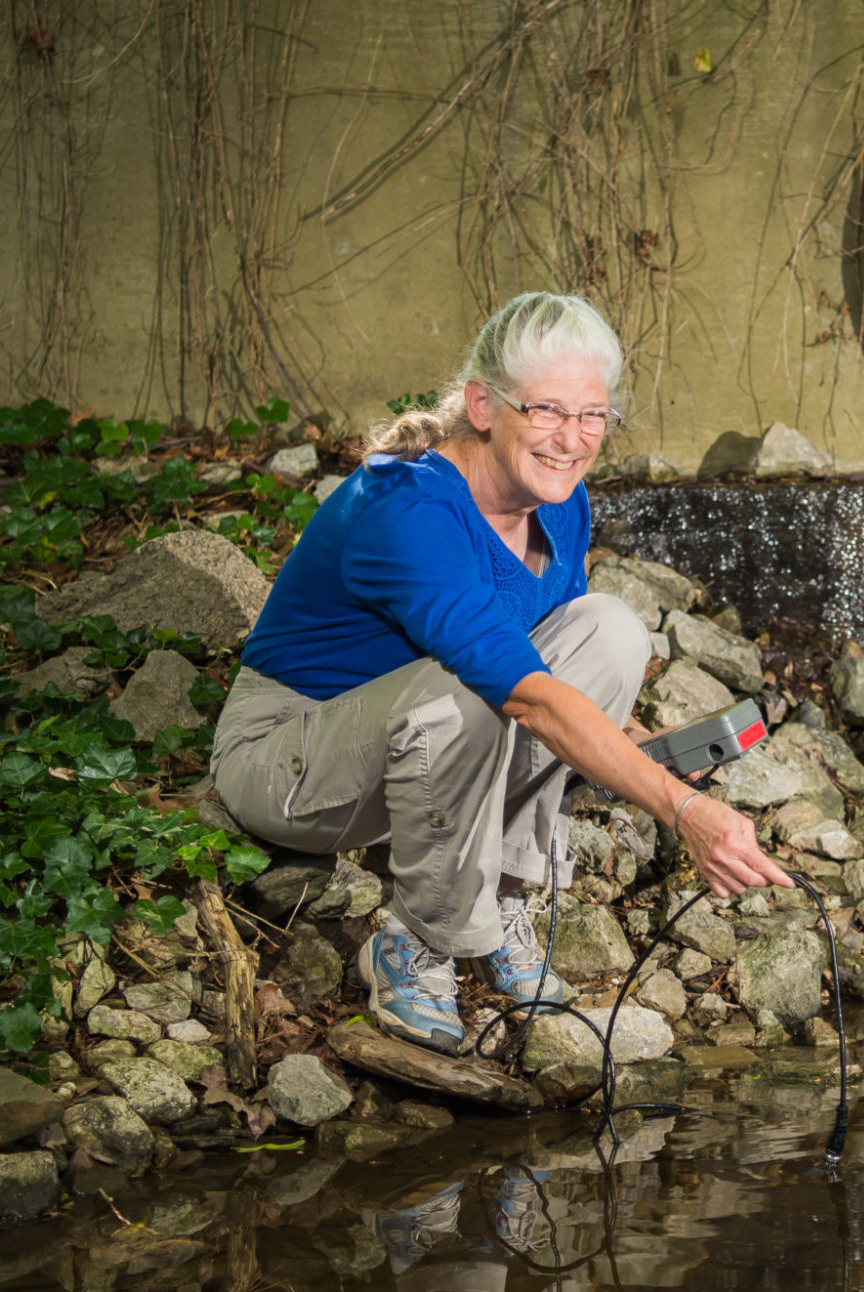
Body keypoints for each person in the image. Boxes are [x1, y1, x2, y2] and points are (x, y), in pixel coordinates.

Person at [211, 291, 788, 1054]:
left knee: (610, 630)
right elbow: (521, 690)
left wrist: (646, 742)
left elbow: (560, 666)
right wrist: (684, 812)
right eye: (546, 410)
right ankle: (415, 940)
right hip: (287, 761)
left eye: (592, 416)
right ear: (483, 405)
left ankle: (500, 895)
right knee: (478, 689)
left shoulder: (562, 502)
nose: (571, 439)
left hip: (414, 741)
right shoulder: (406, 511)